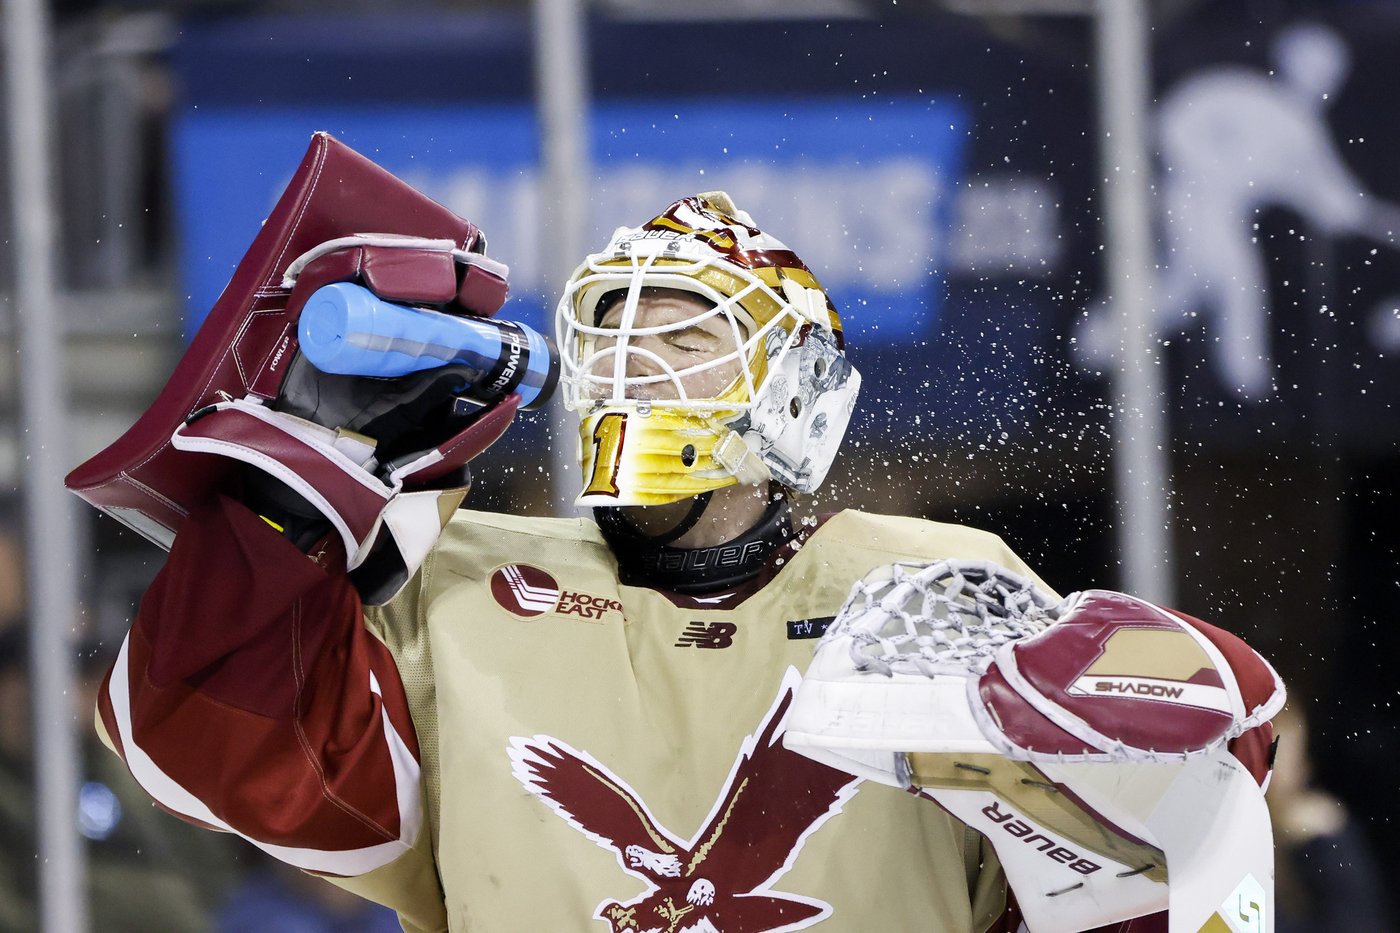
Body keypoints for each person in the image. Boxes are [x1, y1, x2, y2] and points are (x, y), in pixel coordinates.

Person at [80, 182, 1273, 932]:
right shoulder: (462, 585)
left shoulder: (923, 584)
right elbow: (200, 741)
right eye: (613, 332)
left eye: (686, 336)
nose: (634, 368)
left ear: (795, 391)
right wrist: (298, 489)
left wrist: (1162, 713)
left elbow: (1145, 840)